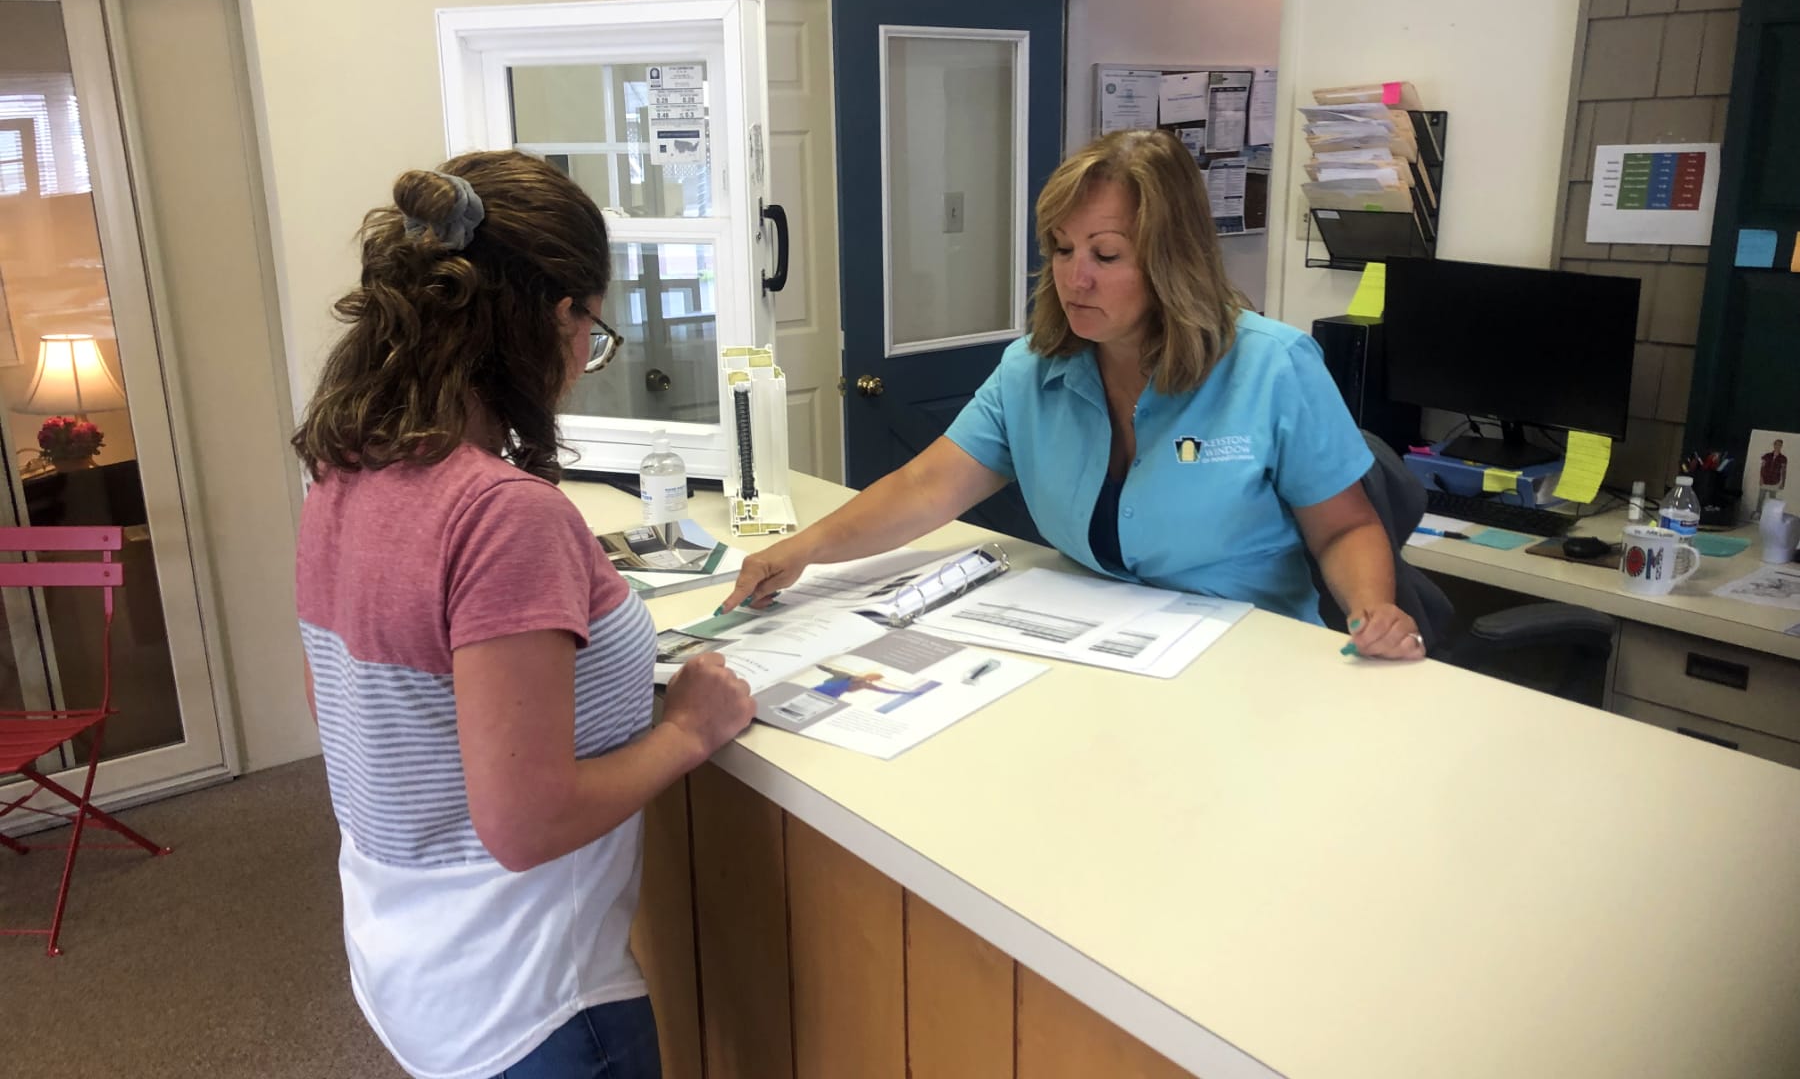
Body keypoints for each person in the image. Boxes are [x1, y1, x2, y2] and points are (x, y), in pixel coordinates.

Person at [292, 150, 756, 1079]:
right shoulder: (502, 513)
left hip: (412, 966)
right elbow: (524, 823)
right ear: (558, 317)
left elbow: (379, 723)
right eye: (593, 325)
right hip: (535, 1002)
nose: (587, 357)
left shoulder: (346, 472)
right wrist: (691, 730)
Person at [725, 129, 1424, 661]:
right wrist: (804, 550)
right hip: (1103, 649)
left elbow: (1346, 527)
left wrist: (1373, 615)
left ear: (1170, 259)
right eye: (1062, 250)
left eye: (1105, 255)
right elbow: (923, 488)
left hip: (1251, 661)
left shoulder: (1273, 368)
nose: (1074, 278)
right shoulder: (1034, 370)